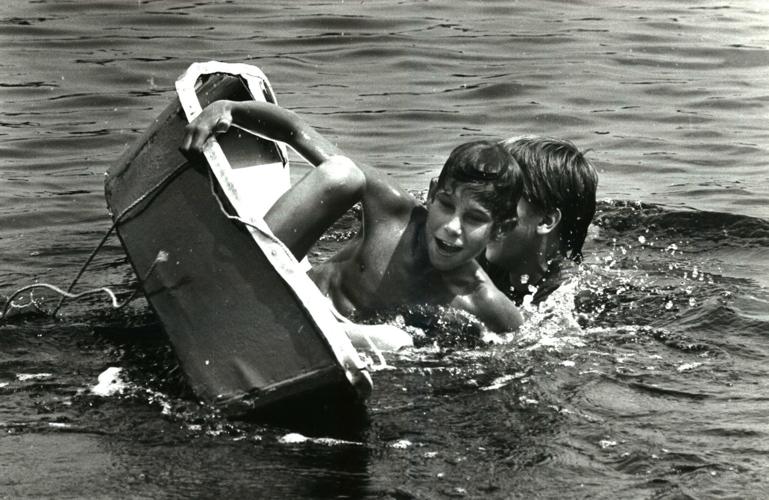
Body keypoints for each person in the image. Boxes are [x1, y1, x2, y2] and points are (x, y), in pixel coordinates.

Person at [180, 100, 524, 334]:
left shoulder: (484, 304)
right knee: (342, 173)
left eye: (474, 219)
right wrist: (229, 109)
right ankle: (236, 278)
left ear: (501, 229)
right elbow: (296, 132)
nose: (451, 227)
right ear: (432, 194)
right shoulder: (394, 212)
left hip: (330, 345)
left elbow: (522, 351)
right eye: (446, 205)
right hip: (275, 297)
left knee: (395, 343)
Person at [481, 136, 599, 306]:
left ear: (546, 220)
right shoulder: (485, 263)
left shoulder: (570, 296)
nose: (483, 209)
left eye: (500, 199)